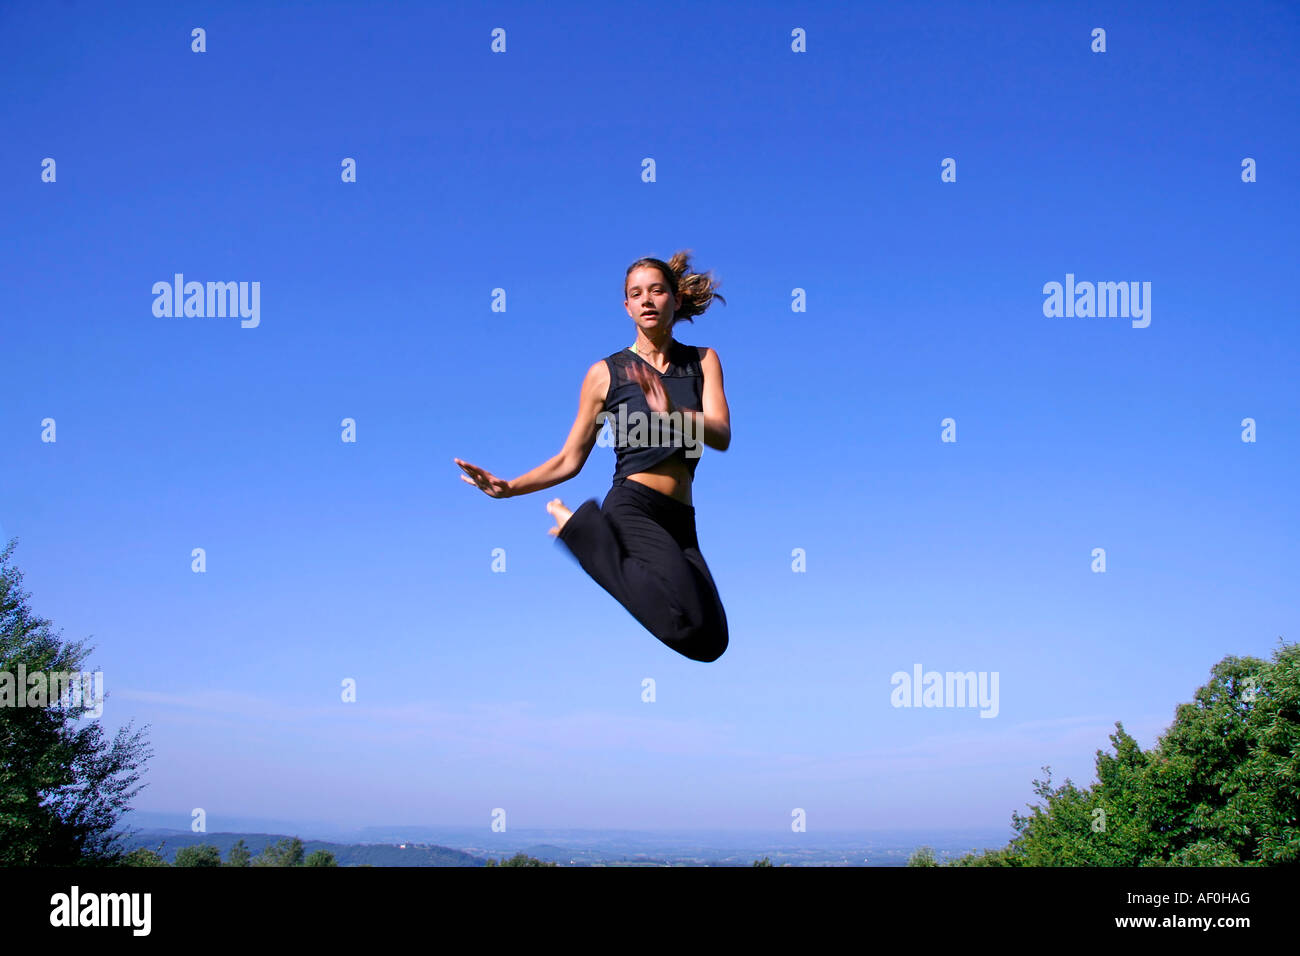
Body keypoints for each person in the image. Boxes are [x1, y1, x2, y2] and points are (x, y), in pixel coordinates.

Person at [454, 250, 732, 662]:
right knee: (687, 624)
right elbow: (571, 458)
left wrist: (673, 412)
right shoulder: (607, 373)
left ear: (675, 299)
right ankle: (585, 534)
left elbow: (721, 435)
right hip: (634, 506)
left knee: (711, 641)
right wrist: (510, 488)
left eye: (657, 291)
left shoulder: (703, 361)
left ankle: (586, 536)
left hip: (682, 517)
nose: (646, 300)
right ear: (627, 307)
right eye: (636, 294)